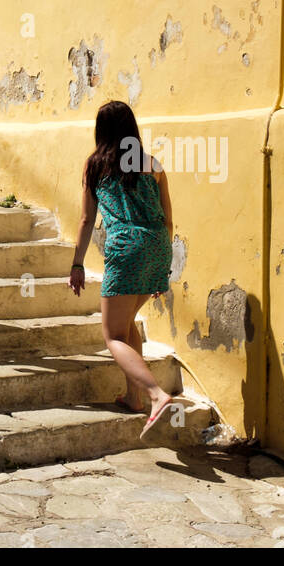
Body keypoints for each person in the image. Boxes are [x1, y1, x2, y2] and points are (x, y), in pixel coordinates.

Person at [69, 99, 178, 438]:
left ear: (101, 131)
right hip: (157, 245)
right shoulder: (153, 164)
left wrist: (77, 263)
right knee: (127, 322)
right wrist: (162, 268)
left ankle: (156, 395)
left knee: (113, 335)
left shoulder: (95, 164)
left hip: (126, 247)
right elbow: (169, 220)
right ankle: (133, 398)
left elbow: (87, 219)